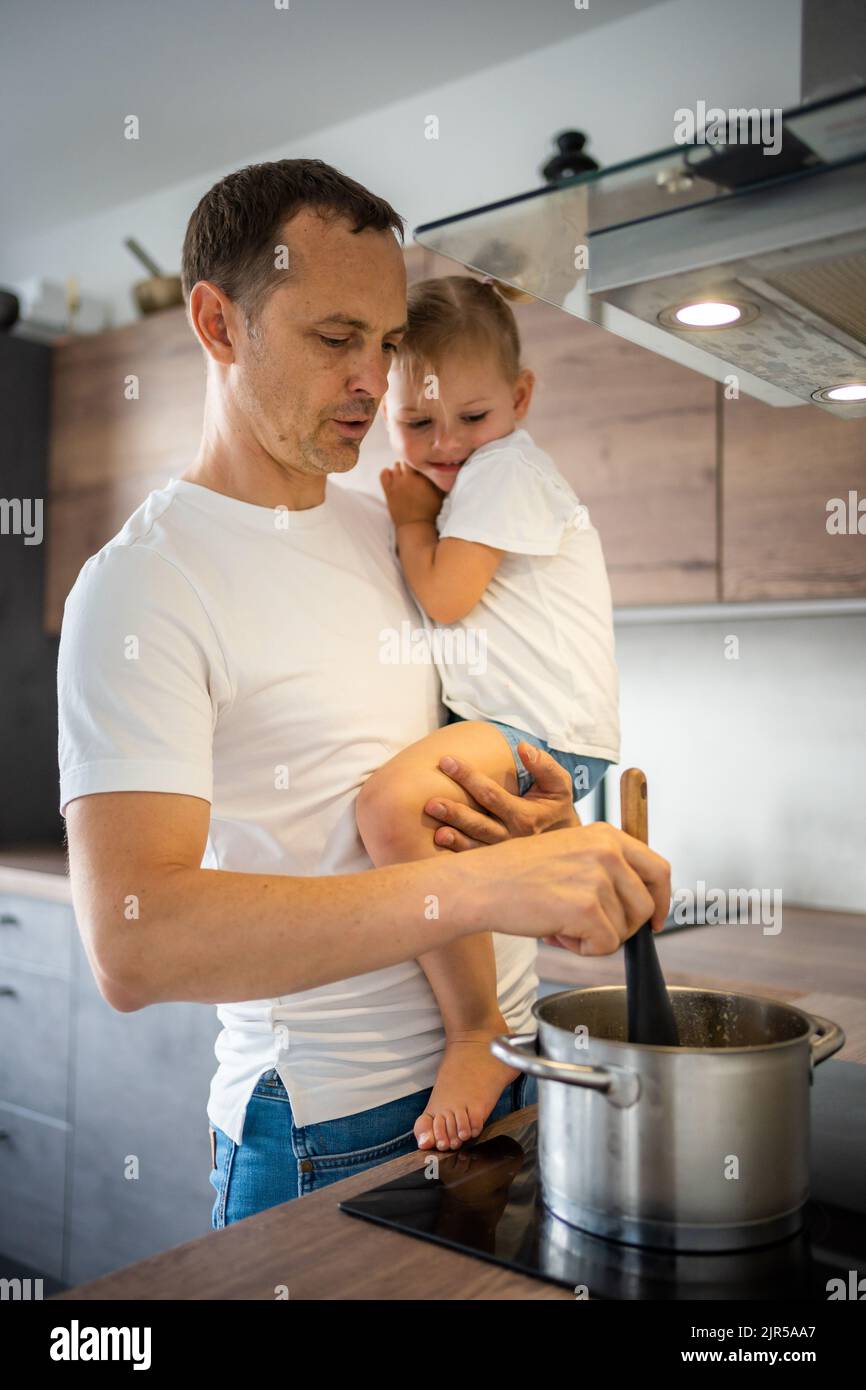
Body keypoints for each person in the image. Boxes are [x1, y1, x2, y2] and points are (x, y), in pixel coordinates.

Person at [57, 159, 670, 1226]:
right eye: (336, 339)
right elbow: (133, 940)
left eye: (387, 344)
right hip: (331, 1131)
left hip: (512, 1075)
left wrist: (539, 822)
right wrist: (495, 887)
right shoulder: (145, 583)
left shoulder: (392, 521)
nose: (375, 383)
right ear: (217, 324)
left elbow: (445, 756)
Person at [357, 274, 620, 1152]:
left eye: (470, 418)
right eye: (417, 423)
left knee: (392, 809)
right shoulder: (489, 470)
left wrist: (407, 523)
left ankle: (477, 1032)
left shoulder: (504, 471)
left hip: (537, 737)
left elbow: (446, 596)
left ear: (520, 398)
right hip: (538, 734)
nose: (443, 445)